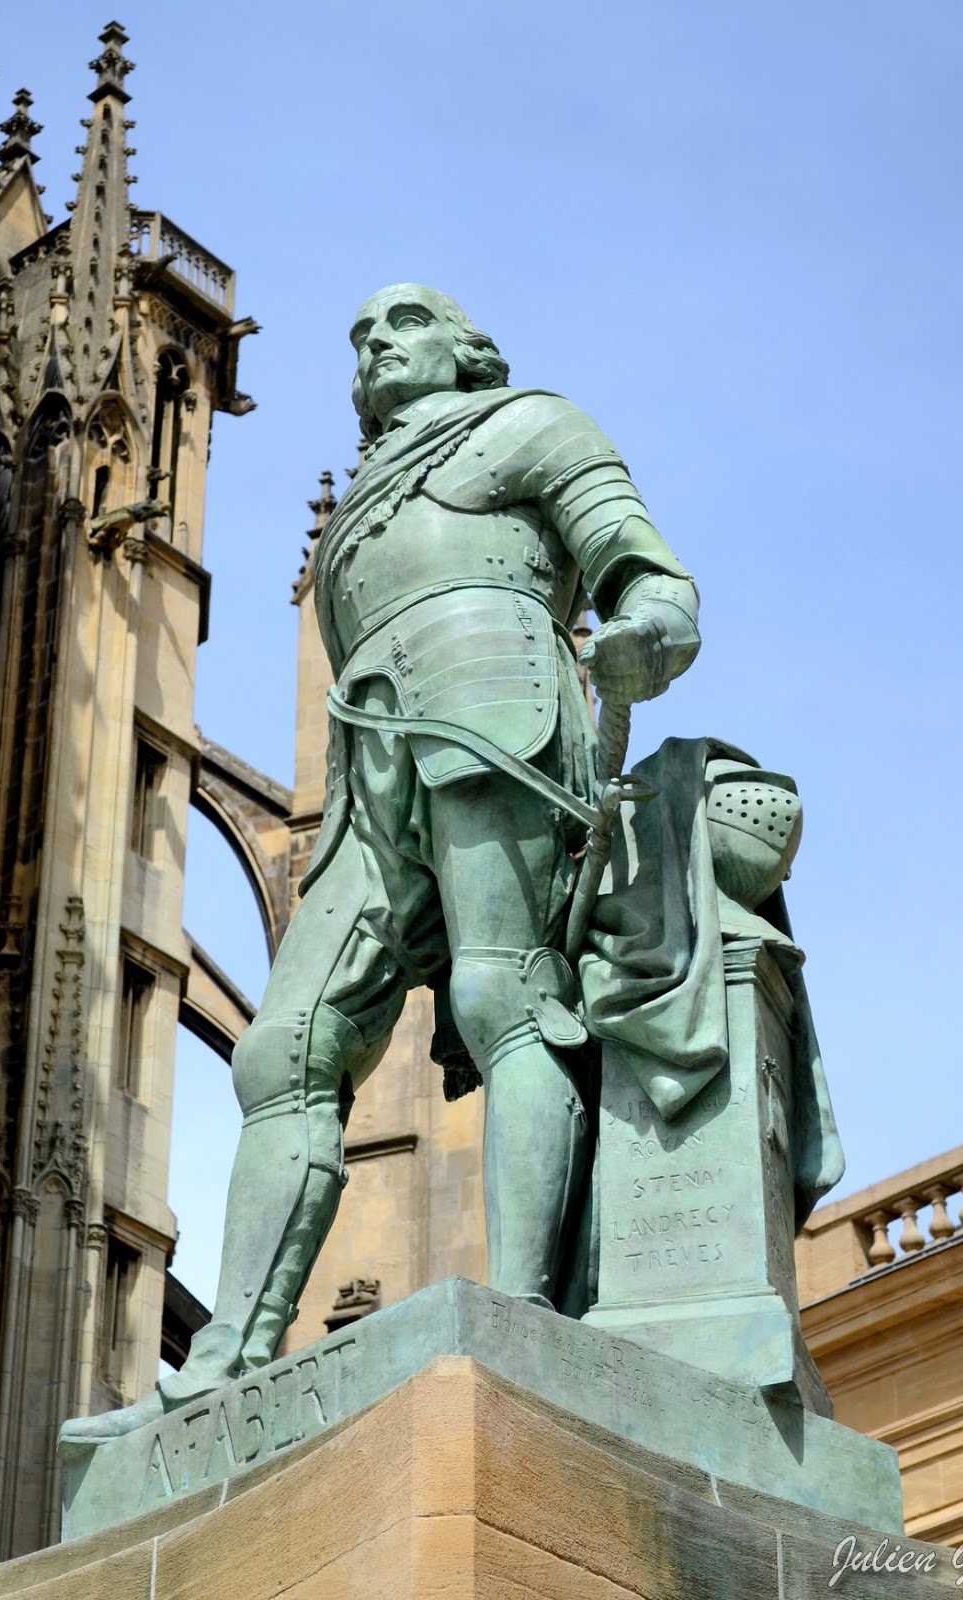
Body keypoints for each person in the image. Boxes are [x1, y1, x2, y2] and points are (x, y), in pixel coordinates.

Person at [63, 284, 700, 1440]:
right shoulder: (361, 499)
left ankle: (521, 1314)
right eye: (361, 336)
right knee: (283, 1047)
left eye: (403, 325)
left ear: (466, 351)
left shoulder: (528, 424)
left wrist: (647, 631)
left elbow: (643, 572)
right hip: (371, 777)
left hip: (492, 705)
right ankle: (224, 1364)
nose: (374, 345)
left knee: (504, 991)